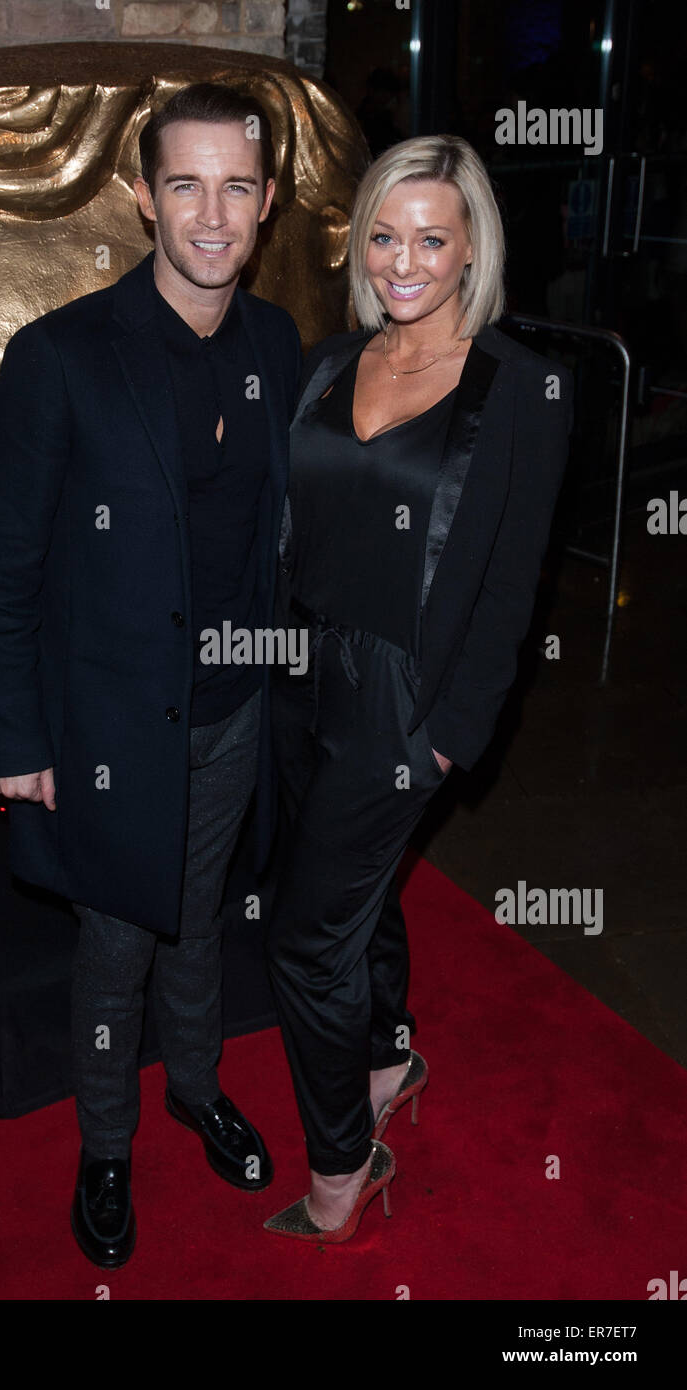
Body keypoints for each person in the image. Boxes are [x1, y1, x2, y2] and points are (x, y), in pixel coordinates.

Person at [0, 83, 301, 1269]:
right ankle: (104, 1150)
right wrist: (13, 738)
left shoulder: (273, 343)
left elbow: (276, 534)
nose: (212, 213)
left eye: (237, 187)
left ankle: (197, 1087)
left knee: (200, 918)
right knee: (115, 946)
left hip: (232, 711)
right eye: (185, 184)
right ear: (145, 196)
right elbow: (3, 568)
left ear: (265, 203)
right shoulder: (61, 356)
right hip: (110, 720)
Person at [263, 134, 574, 1242]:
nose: (402, 261)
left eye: (430, 238)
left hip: (406, 695)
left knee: (304, 936)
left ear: (470, 247)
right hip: (297, 675)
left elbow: (512, 580)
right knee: (353, 891)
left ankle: (344, 1160)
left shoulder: (524, 386)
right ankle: (387, 1049)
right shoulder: (329, 360)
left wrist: (450, 731)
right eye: (384, 235)